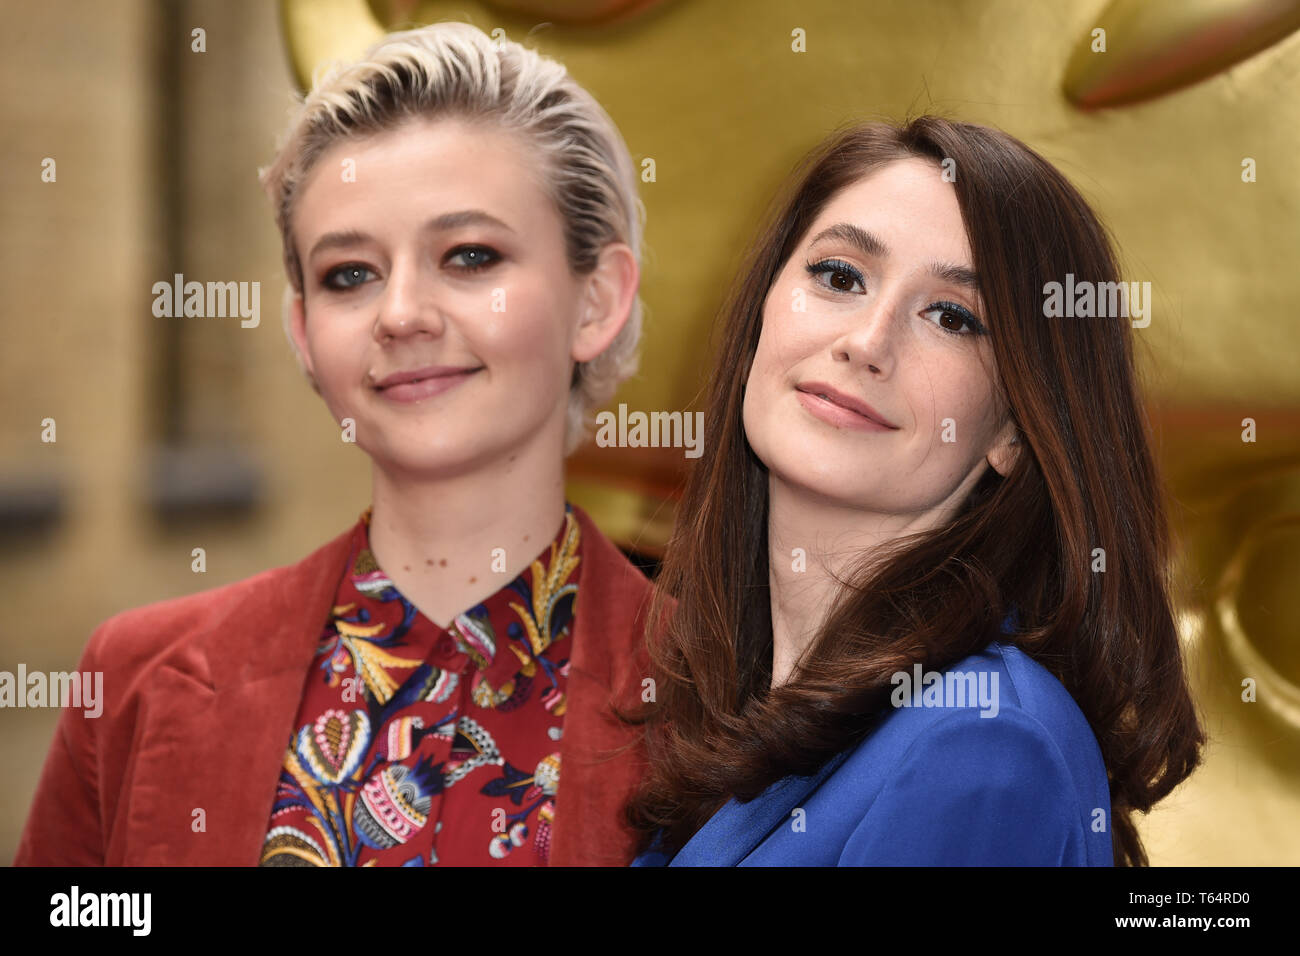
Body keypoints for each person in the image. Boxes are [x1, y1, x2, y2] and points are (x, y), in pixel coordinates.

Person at [15, 21, 653, 867]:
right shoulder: (132, 684)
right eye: (350, 274)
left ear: (597, 299)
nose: (401, 314)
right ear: (305, 334)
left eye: (468, 255)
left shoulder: (732, 707)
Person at [623, 117, 1205, 866]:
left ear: (1016, 434)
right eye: (838, 276)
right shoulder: (746, 717)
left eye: (953, 317)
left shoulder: (985, 748)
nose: (867, 341)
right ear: (762, 313)